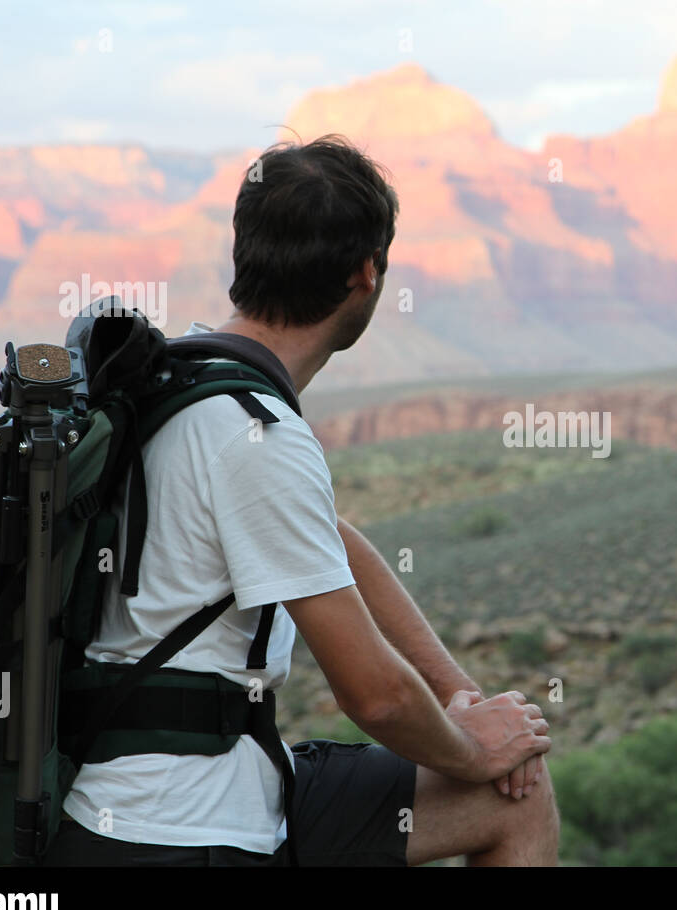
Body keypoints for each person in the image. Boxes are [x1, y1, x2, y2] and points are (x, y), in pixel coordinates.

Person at [44, 135, 558, 866]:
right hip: (185, 830)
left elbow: (328, 538)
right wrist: (477, 753)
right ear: (366, 275)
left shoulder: (173, 382)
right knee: (510, 796)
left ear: (243, 257)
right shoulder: (258, 434)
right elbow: (375, 697)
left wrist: (462, 697)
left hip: (123, 792)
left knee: (511, 794)